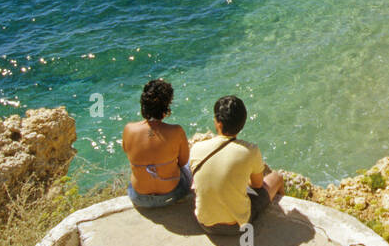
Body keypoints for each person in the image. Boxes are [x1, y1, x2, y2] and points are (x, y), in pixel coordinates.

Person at [190, 95, 284, 235]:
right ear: (242, 123)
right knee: (277, 177)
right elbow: (258, 186)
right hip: (237, 227)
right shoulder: (250, 150)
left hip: (204, 223)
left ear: (218, 123)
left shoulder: (197, 148)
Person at [122, 79, 192, 208]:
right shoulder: (176, 131)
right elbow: (182, 162)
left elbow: (127, 151)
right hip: (173, 194)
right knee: (190, 159)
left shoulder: (129, 129)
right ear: (167, 106)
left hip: (138, 197)